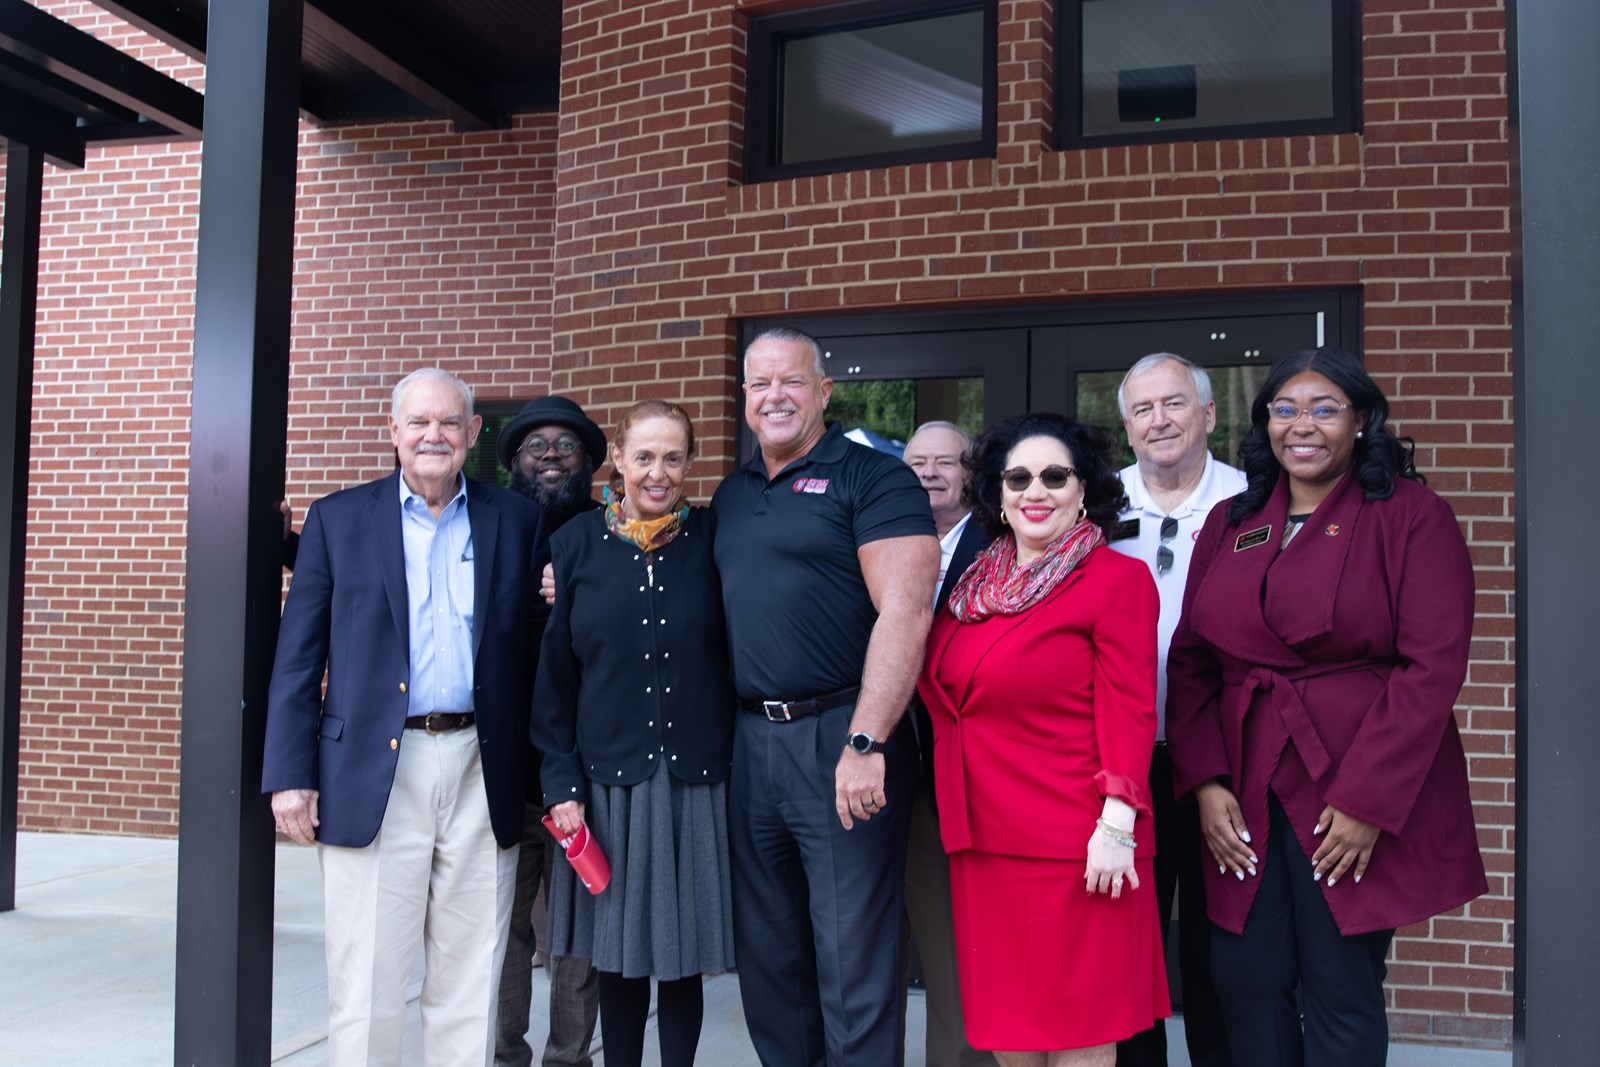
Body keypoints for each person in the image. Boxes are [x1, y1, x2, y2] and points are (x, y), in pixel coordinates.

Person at [1164, 347, 1488, 1066]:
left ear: (1361, 419)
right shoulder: (1232, 520)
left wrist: (1368, 801)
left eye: (1324, 408)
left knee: (1340, 984)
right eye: (1284, 409)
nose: (1301, 425)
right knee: (1244, 977)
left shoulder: (1412, 516)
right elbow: (1190, 660)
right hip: (1245, 780)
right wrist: (1207, 782)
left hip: (1353, 777)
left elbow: (1432, 668)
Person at [262, 367, 549, 1066]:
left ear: (473, 432)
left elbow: (537, 646)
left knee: (471, 976)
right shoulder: (337, 520)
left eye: (449, 422)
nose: (433, 435)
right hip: (372, 768)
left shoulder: (516, 520)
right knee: (366, 978)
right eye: (418, 421)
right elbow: (298, 658)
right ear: (393, 431)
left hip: (482, 764)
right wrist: (290, 774)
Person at [711, 326, 939, 1066]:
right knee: (770, 957)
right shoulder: (732, 493)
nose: (775, 396)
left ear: (824, 391)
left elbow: (906, 611)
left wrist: (867, 739)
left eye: (792, 381)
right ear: (745, 395)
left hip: (842, 736)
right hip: (752, 741)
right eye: (760, 383)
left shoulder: (875, 478)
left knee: (853, 955)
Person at [916, 412, 1170, 1067]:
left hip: (1079, 847)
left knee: (1080, 1031)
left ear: (1084, 489)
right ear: (997, 494)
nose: (1036, 491)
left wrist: (1118, 824)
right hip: (984, 844)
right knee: (1009, 1032)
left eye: (1055, 477)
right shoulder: (972, 588)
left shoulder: (1115, 581)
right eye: (1018, 478)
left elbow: (1131, 710)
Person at [532, 399, 736, 1067]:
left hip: (693, 780)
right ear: (617, 459)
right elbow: (556, 683)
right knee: (618, 958)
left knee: (681, 960)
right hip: (608, 783)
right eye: (643, 456)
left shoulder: (713, 539)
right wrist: (561, 783)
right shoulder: (573, 547)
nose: (657, 472)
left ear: (690, 463)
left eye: (673, 457)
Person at [1108, 354, 1242, 1067]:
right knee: (1131, 947)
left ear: (1209, 414)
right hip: (1123, 767)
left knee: (1222, 949)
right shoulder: (1095, 505)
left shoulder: (1252, 502)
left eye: (1175, 403)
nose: (1159, 420)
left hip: (1226, 763)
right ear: (1128, 427)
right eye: (1143, 409)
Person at [494, 396, 606, 1067]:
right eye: (537, 445)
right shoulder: (492, 525)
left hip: (583, 772)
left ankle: (570, 1057)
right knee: (502, 929)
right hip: (504, 768)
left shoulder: (606, 531)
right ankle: (504, 1053)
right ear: (515, 460)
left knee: (577, 934)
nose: (553, 456)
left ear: (588, 460)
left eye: (567, 445)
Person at [901, 421, 996, 1067]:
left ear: (971, 473)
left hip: (967, 786)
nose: (930, 473)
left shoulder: (1001, 548)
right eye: (917, 462)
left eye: (946, 462)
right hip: (880, 777)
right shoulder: (875, 541)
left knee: (960, 959)